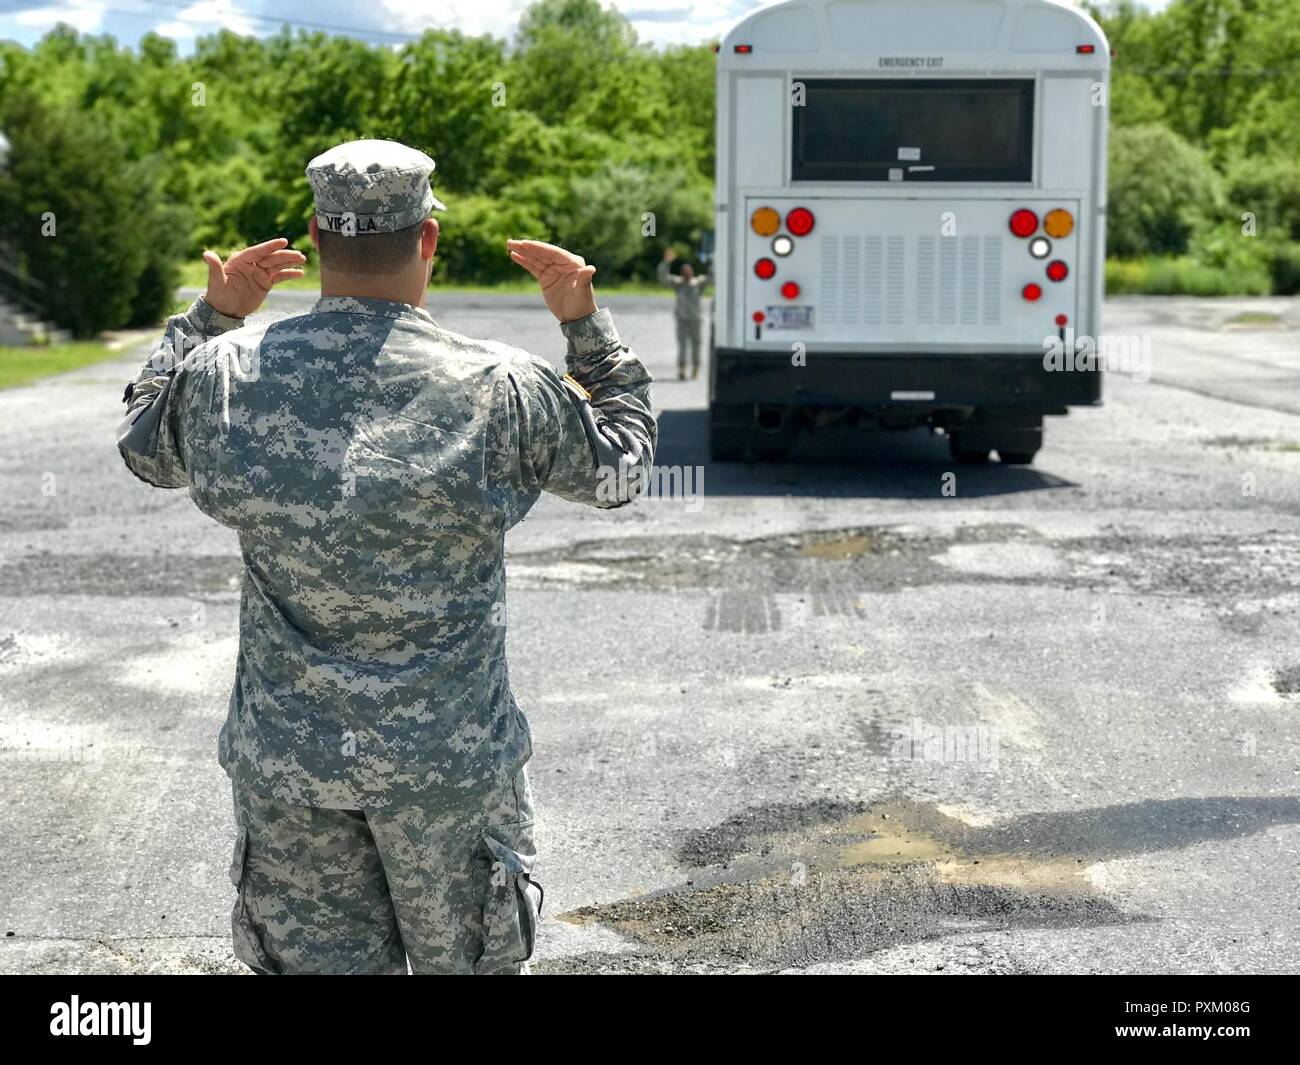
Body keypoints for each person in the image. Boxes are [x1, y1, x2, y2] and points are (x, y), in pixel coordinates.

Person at [116, 139, 657, 974]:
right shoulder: (501, 383)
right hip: (449, 769)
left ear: (314, 236)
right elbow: (622, 468)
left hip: (293, 771)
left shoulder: (227, 375)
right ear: (427, 237)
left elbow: (142, 443)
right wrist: (586, 328)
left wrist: (210, 316)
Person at [656, 246, 709, 379]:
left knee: (697, 344)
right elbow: (663, 278)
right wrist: (666, 263)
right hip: (682, 319)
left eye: (689, 271)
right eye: (684, 271)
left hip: (695, 319)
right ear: (681, 273)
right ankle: (682, 368)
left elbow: (712, 278)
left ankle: (696, 367)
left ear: (692, 272)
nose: (687, 273)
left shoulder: (698, 283)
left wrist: (711, 261)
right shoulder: (678, 283)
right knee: (683, 345)